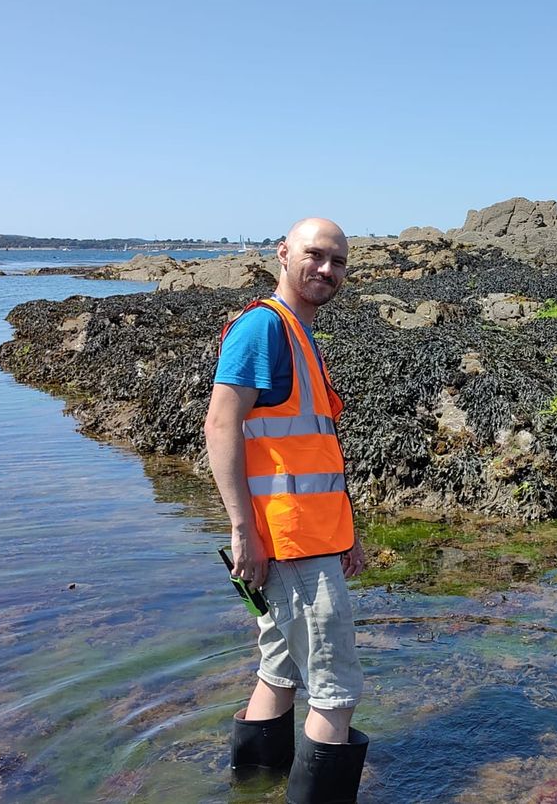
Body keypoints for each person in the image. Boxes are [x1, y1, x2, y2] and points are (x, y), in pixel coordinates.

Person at [204, 217, 368, 803]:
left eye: (338, 261)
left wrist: (348, 534)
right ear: (283, 254)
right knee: (336, 692)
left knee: (280, 671)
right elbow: (220, 423)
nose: (327, 269)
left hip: (310, 541)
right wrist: (243, 529)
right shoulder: (264, 328)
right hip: (290, 544)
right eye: (315, 255)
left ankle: (251, 788)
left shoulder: (300, 335)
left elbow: (312, 453)